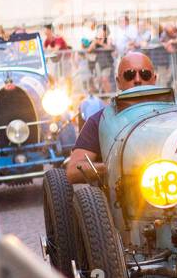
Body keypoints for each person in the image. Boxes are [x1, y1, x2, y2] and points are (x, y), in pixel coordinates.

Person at [65, 52, 158, 184]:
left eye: (145, 74)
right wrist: (110, 168)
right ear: (118, 82)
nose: (137, 80)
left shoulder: (176, 112)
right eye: (129, 75)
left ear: (154, 79)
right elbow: (73, 169)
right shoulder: (99, 121)